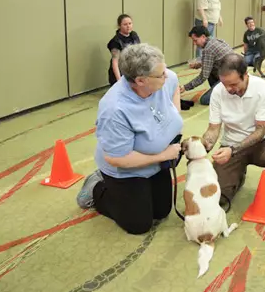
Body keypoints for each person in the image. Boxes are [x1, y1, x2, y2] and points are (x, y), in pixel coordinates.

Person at [76, 43, 183, 235]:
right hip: (125, 168)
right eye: (161, 75)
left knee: (161, 212)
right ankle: (97, 188)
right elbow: (117, 158)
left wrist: (174, 114)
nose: (166, 76)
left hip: (156, 162)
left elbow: (175, 85)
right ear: (141, 80)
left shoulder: (163, 78)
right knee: (138, 225)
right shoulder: (115, 109)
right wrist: (163, 155)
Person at [199, 53, 265, 206]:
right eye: (225, 84)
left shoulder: (263, 89)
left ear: (245, 75)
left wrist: (233, 150)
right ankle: (237, 175)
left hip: (261, 142)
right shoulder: (218, 92)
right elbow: (213, 129)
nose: (229, 89)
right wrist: (202, 146)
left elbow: (260, 130)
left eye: (233, 84)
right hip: (230, 144)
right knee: (218, 197)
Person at [181, 25, 233, 105]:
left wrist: (185, 87)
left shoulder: (208, 49)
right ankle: (224, 91)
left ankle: (228, 92)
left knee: (204, 100)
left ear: (203, 36)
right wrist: (199, 65)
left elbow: (203, 76)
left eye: (195, 40)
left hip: (230, 77)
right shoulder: (216, 40)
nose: (194, 43)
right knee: (209, 70)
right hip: (232, 73)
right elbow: (214, 60)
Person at [191, 0, 223, 67]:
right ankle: (199, 60)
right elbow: (201, 8)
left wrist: (220, 18)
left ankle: (208, 59)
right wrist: (205, 19)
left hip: (212, 22)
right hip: (204, 22)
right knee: (201, 41)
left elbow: (217, 9)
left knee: (210, 41)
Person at [107, 14, 141, 86]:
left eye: (130, 23)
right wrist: (119, 81)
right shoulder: (115, 41)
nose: (128, 26)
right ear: (119, 26)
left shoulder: (134, 35)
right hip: (120, 73)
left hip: (132, 71)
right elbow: (115, 63)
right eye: (125, 24)